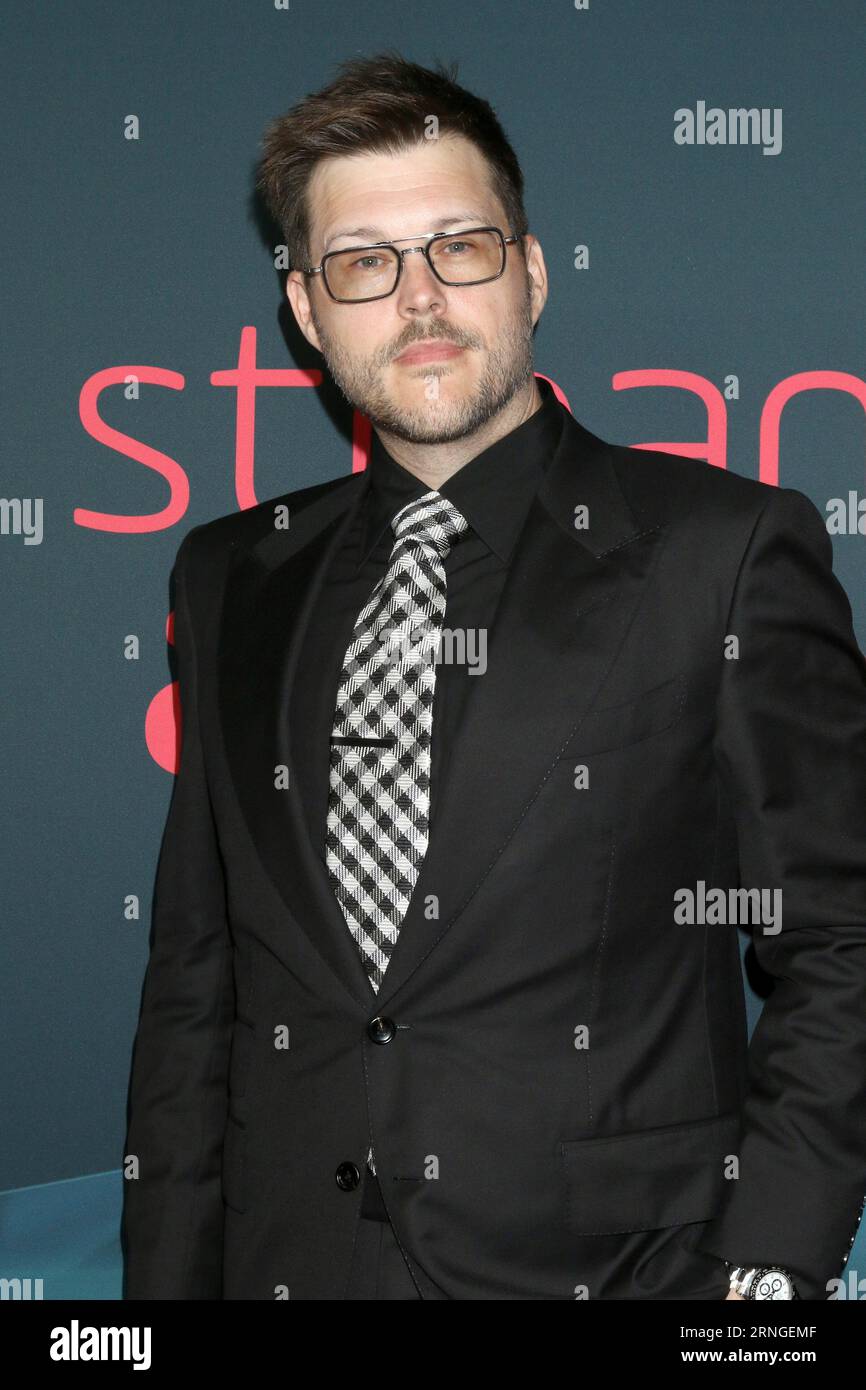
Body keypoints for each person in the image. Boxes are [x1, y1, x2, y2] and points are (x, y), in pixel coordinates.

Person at [121, 51, 866, 1300]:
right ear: (306, 308)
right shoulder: (228, 575)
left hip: (627, 1274)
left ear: (527, 270)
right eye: (364, 263)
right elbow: (198, 978)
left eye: (457, 246)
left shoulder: (719, 550)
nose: (418, 299)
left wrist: (772, 1269)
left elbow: (838, 938)